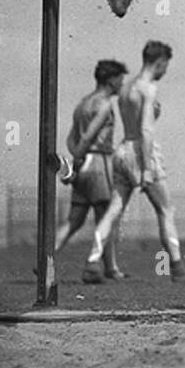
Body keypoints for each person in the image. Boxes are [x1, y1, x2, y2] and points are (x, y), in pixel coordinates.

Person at [82, 41, 185, 283]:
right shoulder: (148, 88)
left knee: (113, 211)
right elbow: (146, 130)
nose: (165, 71)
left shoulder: (124, 89)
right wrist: (146, 168)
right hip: (142, 152)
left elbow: (133, 120)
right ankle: (177, 267)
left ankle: (92, 261)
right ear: (159, 62)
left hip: (122, 150)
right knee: (165, 210)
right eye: (165, 66)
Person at [56, 59, 129, 277]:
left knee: (74, 220)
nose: (122, 83)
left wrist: (76, 160)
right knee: (106, 218)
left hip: (82, 165)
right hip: (99, 164)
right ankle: (100, 266)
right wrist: (82, 154)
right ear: (111, 80)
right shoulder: (105, 104)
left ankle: (46, 258)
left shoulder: (83, 103)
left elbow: (72, 138)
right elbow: (88, 136)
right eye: (120, 79)